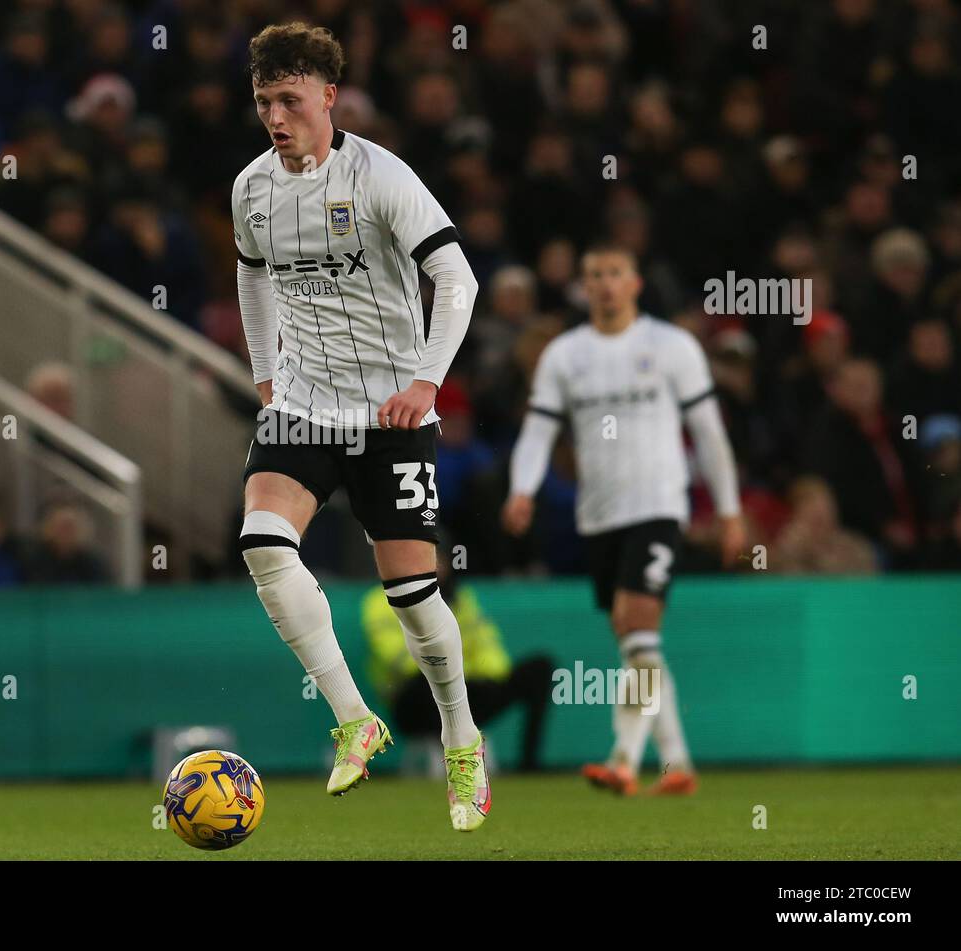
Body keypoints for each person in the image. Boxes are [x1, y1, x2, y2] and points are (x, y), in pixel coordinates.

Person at [232, 24, 488, 830]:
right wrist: (266, 375)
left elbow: (457, 277)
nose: (277, 115)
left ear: (329, 96)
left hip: (388, 413)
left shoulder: (380, 175)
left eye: (291, 99)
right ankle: (353, 718)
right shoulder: (251, 189)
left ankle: (460, 735)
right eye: (265, 100)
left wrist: (425, 381)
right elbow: (252, 277)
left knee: (413, 597)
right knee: (263, 545)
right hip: (304, 406)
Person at [502, 243, 744, 797]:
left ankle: (624, 759)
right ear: (584, 288)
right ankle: (677, 761)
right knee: (637, 642)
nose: (606, 284)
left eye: (615, 274)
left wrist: (729, 511)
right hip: (599, 515)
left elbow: (709, 432)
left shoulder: (671, 346)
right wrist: (521, 490)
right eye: (595, 276)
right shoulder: (565, 355)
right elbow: (538, 431)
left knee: (636, 624)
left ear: (634, 283)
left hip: (658, 504)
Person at [361, 545, 554, 772]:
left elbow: (489, 648)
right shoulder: (378, 601)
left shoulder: (460, 598)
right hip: (412, 700)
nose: (435, 564)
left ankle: (529, 766)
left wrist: (479, 675)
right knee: (429, 680)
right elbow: (397, 658)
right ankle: (454, 758)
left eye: (437, 557)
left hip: (465, 685)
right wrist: (448, 667)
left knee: (541, 667)